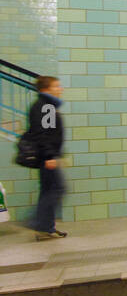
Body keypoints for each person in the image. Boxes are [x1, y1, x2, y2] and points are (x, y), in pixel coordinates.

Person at [28, 75, 67, 240]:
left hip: (47, 155)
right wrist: (50, 156)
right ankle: (41, 225)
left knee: (48, 190)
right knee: (56, 189)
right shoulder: (46, 107)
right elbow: (44, 135)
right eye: (56, 86)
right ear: (46, 89)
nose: (60, 89)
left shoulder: (45, 105)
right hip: (47, 157)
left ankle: (46, 227)